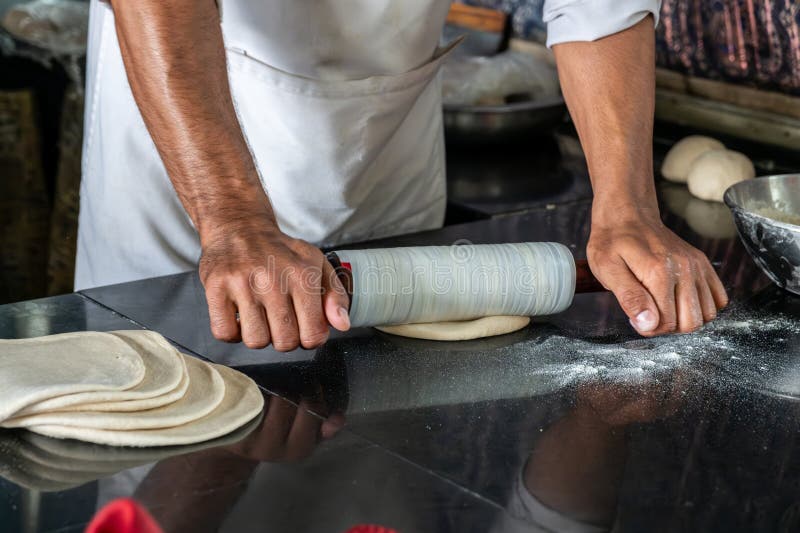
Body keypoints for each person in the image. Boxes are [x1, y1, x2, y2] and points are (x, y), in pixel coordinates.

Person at [76, 0, 728, 352]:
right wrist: (233, 214)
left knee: (375, 467)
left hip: (382, 148)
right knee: (173, 446)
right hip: (190, 154)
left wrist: (628, 205)